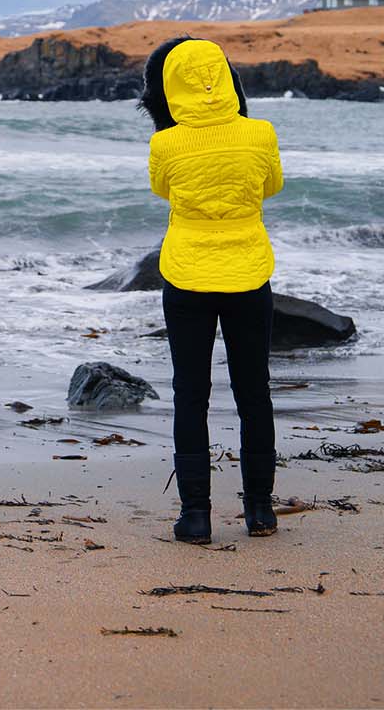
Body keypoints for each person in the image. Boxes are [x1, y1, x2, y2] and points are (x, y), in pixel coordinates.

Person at [139, 36, 284, 544]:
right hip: (248, 273)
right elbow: (272, 187)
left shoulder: (165, 143)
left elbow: (163, 190)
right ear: (226, 77)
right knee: (254, 392)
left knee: (190, 395)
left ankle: (196, 516)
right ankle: (261, 512)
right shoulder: (261, 133)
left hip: (187, 276)